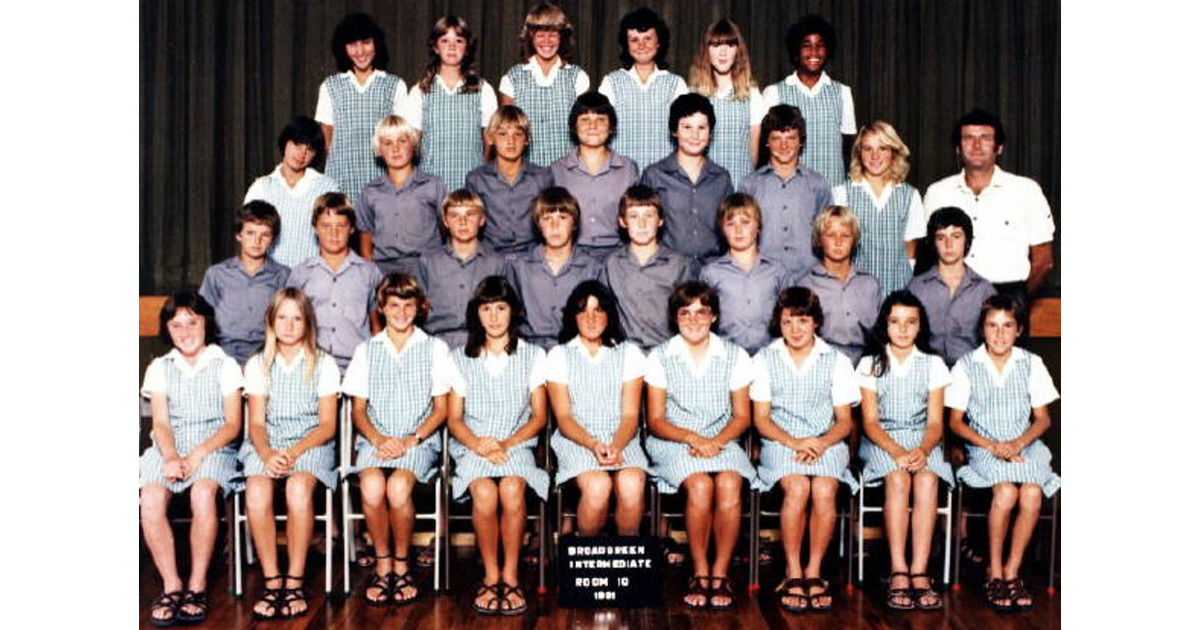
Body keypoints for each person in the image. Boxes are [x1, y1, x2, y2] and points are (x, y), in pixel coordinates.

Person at [644, 281, 758, 610]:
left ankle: (720, 574)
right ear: (675, 318)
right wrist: (693, 439)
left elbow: (741, 417)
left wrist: (716, 442)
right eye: (685, 313)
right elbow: (656, 420)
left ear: (714, 316)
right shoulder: (660, 357)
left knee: (729, 482)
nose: (694, 320)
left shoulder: (734, 356)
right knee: (699, 485)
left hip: (722, 439)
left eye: (701, 312)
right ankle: (700, 570)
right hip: (674, 442)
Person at [340, 274, 453, 605]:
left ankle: (402, 563)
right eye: (393, 305)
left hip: (418, 441)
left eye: (408, 305)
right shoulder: (367, 350)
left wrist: (411, 439)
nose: (401, 312)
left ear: (419, 308)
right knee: (373, 487)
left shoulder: (434, 348)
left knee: (398, 488)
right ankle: (383, 562)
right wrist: (378, 439)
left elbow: (441, 409)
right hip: (375, 440)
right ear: (381, 307)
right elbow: (358, 410)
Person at [947, 295, 1059, 611]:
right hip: (985, 446)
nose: (999, 334)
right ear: (982, 329)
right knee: (1007, 492)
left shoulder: (1030, 363)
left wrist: (1018, 444)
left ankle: (1012, 571)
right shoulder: (967, 365)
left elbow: (1042, 418)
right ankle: (993, 570)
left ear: (1019, 330)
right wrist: (993, 446)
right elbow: (955, 422)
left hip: (1024, 444)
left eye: (1007, 326)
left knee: (1032, 494)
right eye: (992, 326)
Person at [750, 286, 858, 613]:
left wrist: (821, 443)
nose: (796, 329)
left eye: (803, 321)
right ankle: (793, 570)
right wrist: (795, 442)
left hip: (826, 441)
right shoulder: (765, 359)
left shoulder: (836, 361)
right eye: (787, 322)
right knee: (797, 487)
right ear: (778, 324)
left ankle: (814, 571)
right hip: (781, 441)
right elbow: (762, 419)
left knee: (824, 489)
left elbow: (844, 422)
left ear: (816, 323)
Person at [447, 276, 551, 616]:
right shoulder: (460, 358)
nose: (494, 317)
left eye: (501, 308)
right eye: (487, 309)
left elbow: (538, 417)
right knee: (485, 492)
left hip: (515, 445)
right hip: (473, 447)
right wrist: (480, 445)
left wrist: (505, 443)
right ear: (477, 314)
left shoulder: (533, 356)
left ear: (514, 312)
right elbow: (455, 420)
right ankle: (491, 575)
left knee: (511, 488)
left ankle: (511, 574)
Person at [140, 292, 244, 627]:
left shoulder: (224, 364)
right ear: (167, 329)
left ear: (206, 323)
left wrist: (197, 455)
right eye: (176, 325)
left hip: (213, 445)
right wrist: (171, 457)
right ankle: (172, 584)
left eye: (193, 322)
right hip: (169, 446)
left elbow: (232, 424)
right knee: (151, 497)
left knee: (202, 493)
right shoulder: (160, 367)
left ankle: (197, 585)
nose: (185, 332)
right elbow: (160, 423)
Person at [240, 288, 340, 620]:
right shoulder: (258, 364)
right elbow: (255, 423)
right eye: (282, 317)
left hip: (310, 443)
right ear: (271, 321)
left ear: (307, 323)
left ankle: (294, 580)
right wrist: (268, 453)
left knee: (298, 490)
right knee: (256, 493)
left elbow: (327, 425)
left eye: (297, 318)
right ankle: (273, 580)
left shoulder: (323, 364)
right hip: (268, 442)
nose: (289, 325)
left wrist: (294, 452)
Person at [856, 291, 955, 610]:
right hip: (883, 441)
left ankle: (920, 571)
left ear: (920, 326)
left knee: (927, 481)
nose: (902, 329)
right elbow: (870, 422)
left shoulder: (933, 364)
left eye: (910, 322)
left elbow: (936, 423)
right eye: (895, 322)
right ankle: (898, 569)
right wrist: (897, 451)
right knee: (898, 479)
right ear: (885, 325)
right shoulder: (870, 364)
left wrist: (924, 450)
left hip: (922, 439)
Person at [546, 281, 649, 536]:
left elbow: (630, 415)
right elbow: (564, 417)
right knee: (597, 485)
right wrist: (594, 445)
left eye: (598, 310)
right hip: (578, 440)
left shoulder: (629, 353)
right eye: (583, 311)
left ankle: (626, 561)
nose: (591, 319)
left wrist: (615, 445)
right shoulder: (560, 355)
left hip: (622, 438)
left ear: (609, 315)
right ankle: (589, 560)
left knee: (632, 483)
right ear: (574, 316)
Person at [922, 109, 1055, 302]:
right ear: (958, 148)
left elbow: (1043, 261)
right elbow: (928, 256)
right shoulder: (937, 193)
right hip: (951, 298)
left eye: (985, 138)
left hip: (1009, 296)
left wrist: (1018, 303)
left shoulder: (1027, 191)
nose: (976, 145)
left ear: (998, 147)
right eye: (968, 138)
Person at [286, 192, 383, 371]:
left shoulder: (369, 273)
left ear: (352, 228)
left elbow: (377, 326)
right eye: (326, 226)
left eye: (341, 226)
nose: (334, 233)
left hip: (357, 367)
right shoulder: (301, 274)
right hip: (313, 366)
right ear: (315, 227)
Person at [316, 13, 406, 202]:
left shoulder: (394, 85)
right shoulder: (330, 86)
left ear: (376, 44)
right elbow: (327, 136)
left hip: (382, 179)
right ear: (344, 48)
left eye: (365, 42)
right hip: (341, 178)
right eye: (352, 45)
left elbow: (401, 136)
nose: (360, 51)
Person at [403, 15, 498, 190]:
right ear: (435, 47)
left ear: (467, 47)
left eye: (459, 41)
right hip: (430, 186)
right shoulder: (420, 91)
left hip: (470, 187)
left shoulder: (483, 89)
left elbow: (490, 142)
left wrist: (480, 175)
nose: (452, 47)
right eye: (445, 40)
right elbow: (412, 143)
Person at [833, 122, 926, 298]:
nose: (875, 156)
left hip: (898, 289)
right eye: (868, 149)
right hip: (855, 291)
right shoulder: (842, 193)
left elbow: (910, 246)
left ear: (893, 153)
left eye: (882, 148)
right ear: (859, 153)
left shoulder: (909, 195)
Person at [599, 184, 698, 351]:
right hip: (625, 354)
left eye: (649, 216)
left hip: (667, 351)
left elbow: (692, 315)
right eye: (634, 217)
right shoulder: (612, 264)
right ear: (622, 222)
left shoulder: (680, 265)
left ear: (660, 220)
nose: (642, 224)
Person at [762, 14, 856, 185]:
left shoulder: (842, 93)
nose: (814, 52)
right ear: (796, 51)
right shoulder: (774, 93)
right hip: (788, 189)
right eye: (807, 46)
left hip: (831, 190)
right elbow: (767, 147)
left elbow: (848, 150)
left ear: (828, 50)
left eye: (820, 45)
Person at [640, 93, 734, 263]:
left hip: (712, 271)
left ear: (710, 132)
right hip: (668, 271)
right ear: (674, 131)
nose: (695, 136)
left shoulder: (721, 178)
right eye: (687, 127)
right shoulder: (655, 175)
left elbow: (730, 228)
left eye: (701, 128)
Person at [740, 104, 832, 276]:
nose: (784, 146)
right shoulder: (750, 185)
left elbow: (826, 234)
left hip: (807, 276)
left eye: (790, 138)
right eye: (776, 138)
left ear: (801, 141)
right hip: (763, 277)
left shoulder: (818, 185)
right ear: (766, 141)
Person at [505, 186, 602, 348]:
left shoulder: (592, 268)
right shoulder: (519, 266)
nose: (554, 226)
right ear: (538, 224)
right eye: (547, 218)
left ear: (574, 223)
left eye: (563, 218)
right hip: (529, 348)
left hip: (575, 348)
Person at [498, 2, 590, 166]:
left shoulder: (578, 77)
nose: (547, 41)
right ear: (530, 37)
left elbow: (585, 130)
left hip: (567, 171)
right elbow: (507, 131)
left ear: (562, 37)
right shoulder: (512, 79)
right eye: (540, 34)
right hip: (526, 173)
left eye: (553, 34)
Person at [354, 115, 447, 277]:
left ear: (413, 145)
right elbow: (365, 239)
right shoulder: (370, 192)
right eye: (388, 143)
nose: (395, 149)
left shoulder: (433, 185)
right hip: (384, 271)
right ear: (379, 150)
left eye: (402, 141)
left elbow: (447, 230)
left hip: (426, 268)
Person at [699, 193, 792, 354]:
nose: (738, 230)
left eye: (745, 222)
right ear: (722, 229)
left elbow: (791, 317)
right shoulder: (711, 273)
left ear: (758, 227)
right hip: (727, 357)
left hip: (770, 356)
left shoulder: (777, 271)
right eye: (730, 224)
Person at [550, 92, 640, 258]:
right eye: (585, 120)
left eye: (600, 119)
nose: (593, 126)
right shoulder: (557, 171)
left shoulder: (628, 169)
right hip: (571, 255)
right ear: (574, 126)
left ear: (611, 126)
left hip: (618, 255)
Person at [200, 201, 290, 365]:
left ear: (273, 239)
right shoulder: (217, 274)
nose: (257, 241)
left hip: (267, 355)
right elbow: (202, 320)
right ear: (238, 235)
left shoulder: (282, 276)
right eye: (250, 233)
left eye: (265, 234)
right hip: (224, 355)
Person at [598, 7, 688, 170]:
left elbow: (685, 135)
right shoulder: (610, 83)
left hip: (664, 176)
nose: (641, 45)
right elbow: (601, 132)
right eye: (634, 40)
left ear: (658, 42)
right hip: (621, 175)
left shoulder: (676, 84)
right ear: (626, 44)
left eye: (648, 38)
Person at [244, 116, 341, 268]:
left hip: (313, 276)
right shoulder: (261, 187)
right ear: (285, 143)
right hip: (271, 278)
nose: (302, 153)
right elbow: (248, 239)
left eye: (309, 149)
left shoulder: (327, 188)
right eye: (297, 144)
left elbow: (336, 237)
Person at [908, 207, 997, 366]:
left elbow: (994, 342)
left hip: (972, 373)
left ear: (967, 240)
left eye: (956, 236)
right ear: (933, 243)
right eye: (941, 237)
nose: (949, 244)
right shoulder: (916, 287)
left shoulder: (984, 290)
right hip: (927, 373)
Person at [418, 190, 506, 348]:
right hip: (438, 343)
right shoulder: (428, 262)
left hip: (484, 342)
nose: (462, 221)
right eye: (454, 215)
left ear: (482, 220)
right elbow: (417, 310)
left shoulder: (497, 263)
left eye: (470, 214)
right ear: (445, 221)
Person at [796, 205, 881, 364]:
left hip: (864, 364)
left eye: (846, 236)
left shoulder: (869, 284)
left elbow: (878, 336)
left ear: (855, 240)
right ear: (819, 239)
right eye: (830, 235)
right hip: (821, 363)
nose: (838, 242)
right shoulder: (806, 285)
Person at [687, 17, 765, 188]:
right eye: (715, 45)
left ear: (738, 50)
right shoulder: (693, 94)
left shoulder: (752, 95)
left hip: (740, 187)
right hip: (704, 188)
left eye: (730, 45)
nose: (723, 52)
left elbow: (753, 154)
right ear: (706, 51)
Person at [466, 106, 555, 255]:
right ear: (490, 138)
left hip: (532, 256)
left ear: (527, 139)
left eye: (518, 134)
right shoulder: (477, 179)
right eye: (502, 134)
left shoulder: (542, 177)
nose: (511, 141)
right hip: (491, 255)